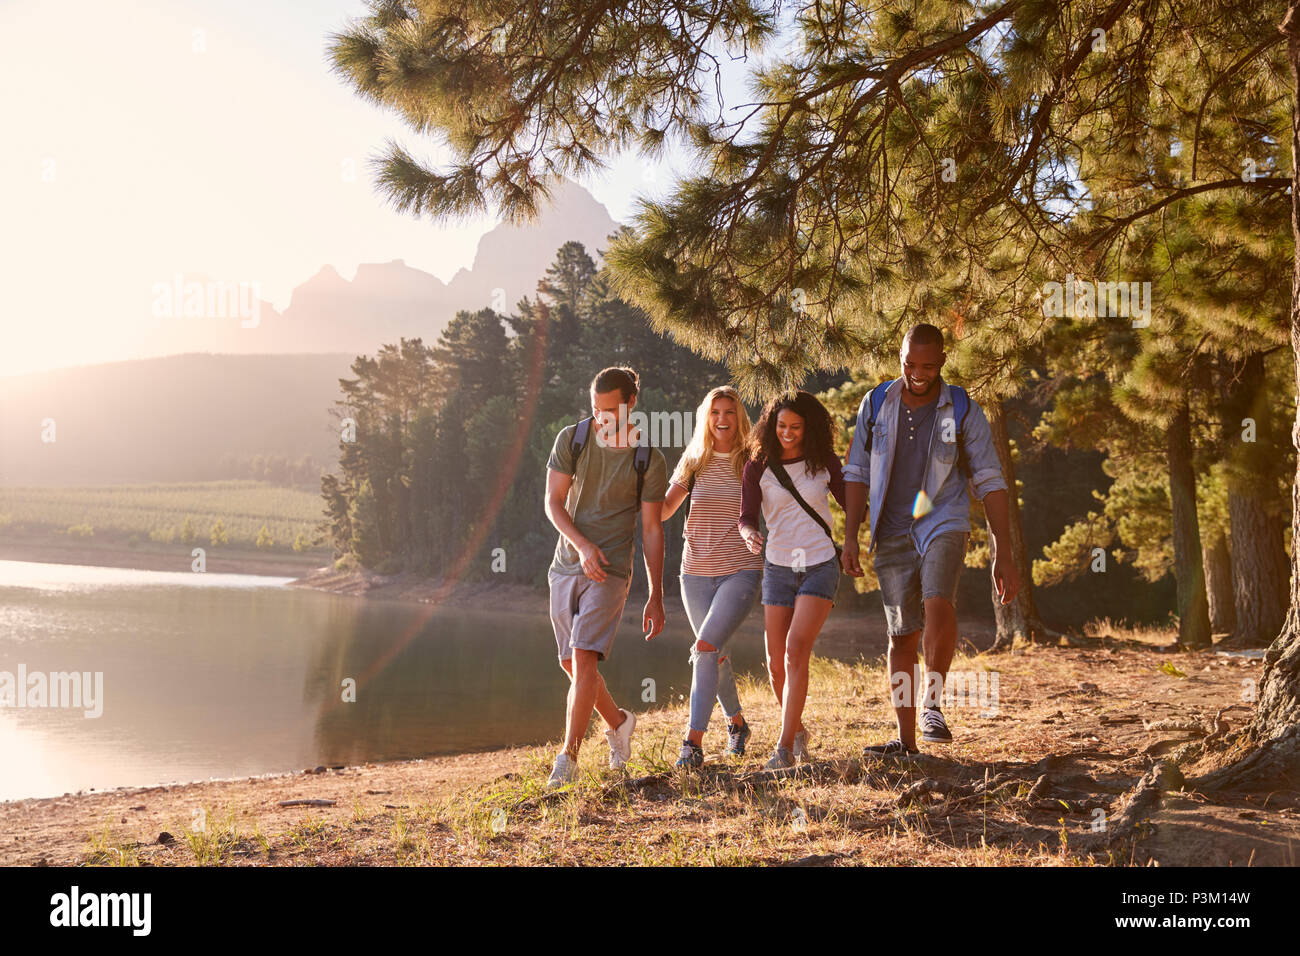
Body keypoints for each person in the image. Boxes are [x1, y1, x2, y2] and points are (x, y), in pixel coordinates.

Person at [841, 324, 1020, 757]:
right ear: (899, 356)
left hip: (943, 516)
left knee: (940, 600)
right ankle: (905, 742)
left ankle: (932, 705)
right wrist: (849, 536)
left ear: (942, 361)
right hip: (891, 527)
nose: (917, 373)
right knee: (901, 635)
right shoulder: (876, 403)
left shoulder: (962, 408)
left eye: (926, 365)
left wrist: (1005, 552)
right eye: (908, 363)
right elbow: (857, 471)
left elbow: (991, 479)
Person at [543, 367, 668, 788]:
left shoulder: (647, 458)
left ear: (632, 403)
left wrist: (655, 593)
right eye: (596, 409)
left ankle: (568, 760)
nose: (601, 418)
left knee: (582, 658)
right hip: (565, 564)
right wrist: (581, 546)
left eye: (610, 411)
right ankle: (618, 723)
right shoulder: (572, 439)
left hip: (611, 571)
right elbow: (554, 503)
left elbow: (652, 529)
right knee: (570, 664)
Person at [738, 390, 846, 770]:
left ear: (808, 427)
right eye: (781, 425)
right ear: (771, 425)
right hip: (778, 567)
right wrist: (749, 534)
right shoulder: (758, 467)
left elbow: (854, 503)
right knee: (774, 664)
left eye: (795, 427)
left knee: (796, 649)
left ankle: (783, 749)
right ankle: (798, 730)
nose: (787, 432)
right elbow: (747, 516)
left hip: (819, 562)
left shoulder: (824, 463)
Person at [661, 386, 764, 768]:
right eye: (716, 412)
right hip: (695, 573)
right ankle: (737, 724)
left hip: (740, 569)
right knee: (714, 654)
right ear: (707, 417)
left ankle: (692, 742)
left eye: (730, 412)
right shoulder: (694, 460)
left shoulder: (752, 460)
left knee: (704, 648)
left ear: (740, 417)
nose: (723, 419)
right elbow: (666, 509)